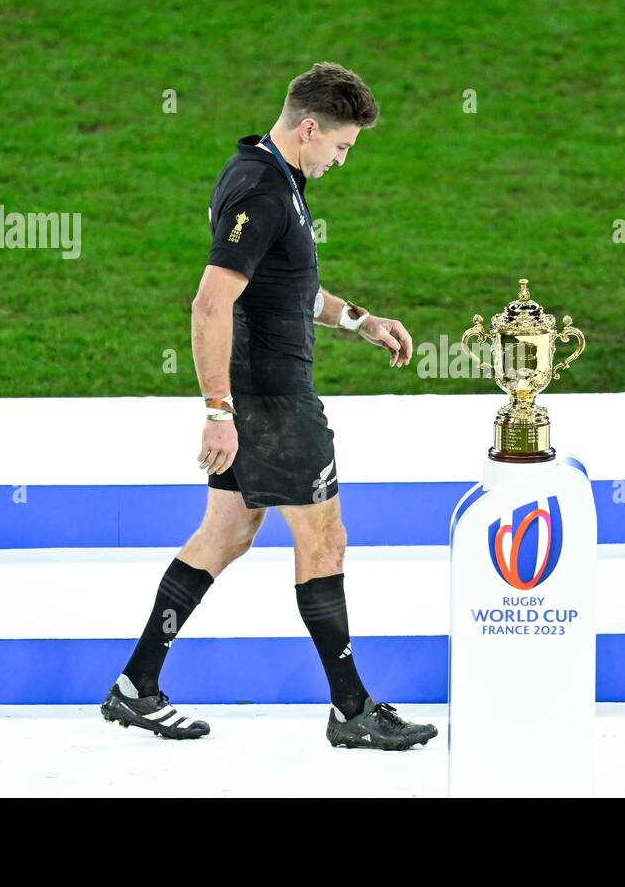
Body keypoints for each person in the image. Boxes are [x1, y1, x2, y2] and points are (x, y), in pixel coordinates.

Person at [101, 62, 434, 751]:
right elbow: (211, 301)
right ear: (309, 128)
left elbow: (282, 288)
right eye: (340, 146)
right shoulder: (263, 187)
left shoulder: (268, 174)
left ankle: (136, 687)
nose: (342, 160)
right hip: (274, 404)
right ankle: (350, 709)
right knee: (325, 540)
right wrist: (218, 411)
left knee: (225, 535)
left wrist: (360, 320)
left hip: (261, 398)